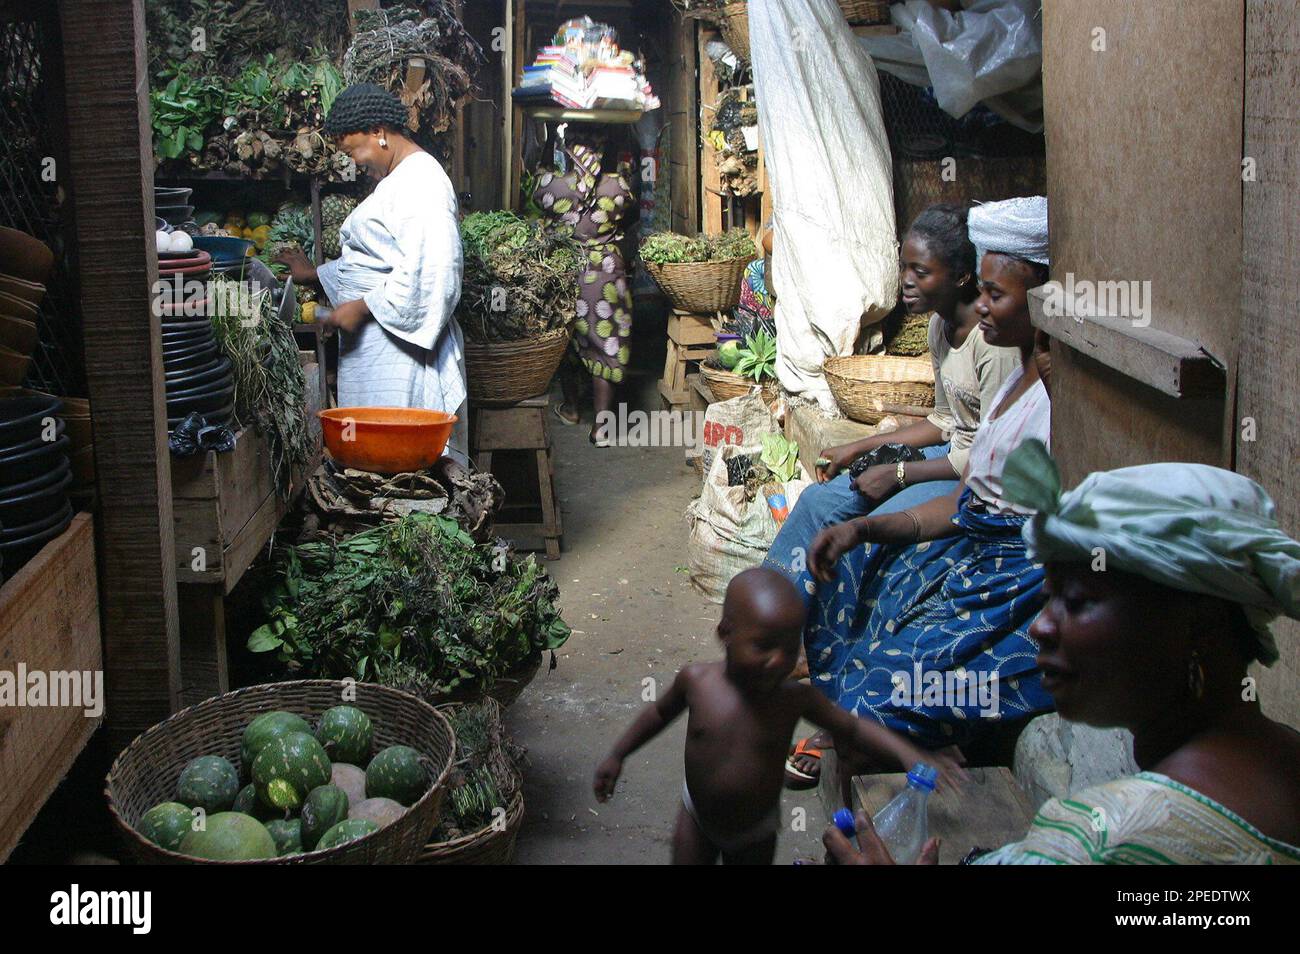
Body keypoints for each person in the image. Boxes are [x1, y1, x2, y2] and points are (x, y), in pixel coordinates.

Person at [824, 440, 1300, 864]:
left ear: (1201, 623)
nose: (1041, 626)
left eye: (1077, 601)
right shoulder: (1276, 763)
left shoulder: (1104, 840)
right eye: (1048, 596)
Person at [787, 197, 1053, 787]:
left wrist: (898, 478)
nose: (982, 306)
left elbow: (980, 499)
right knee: (856, 580)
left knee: (887, 684)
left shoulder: (1047, 399)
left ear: (1041, 300)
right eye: (982, 292)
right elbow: (969, 500)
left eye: (995, 295)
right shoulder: (1016, 379)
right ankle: (851, 710)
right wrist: (864, 527)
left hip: (1011, 579)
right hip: (974, 542)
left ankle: (897, 744)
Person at [592, 567, 964, 865]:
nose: (778, 660)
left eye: (789, 648)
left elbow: (849, 726)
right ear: (725, 633)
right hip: (698, 819)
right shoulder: (698, 682)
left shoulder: (795, 699)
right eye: (763, 646)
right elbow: (657, 713)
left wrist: (908, 753)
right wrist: (617, 754)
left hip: (756, 829)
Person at [767, 204, 1020, 600]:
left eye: (921, 272)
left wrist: (899, 473)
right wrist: (859, 447)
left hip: (970, 480)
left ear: (961, 276)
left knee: (873, 530)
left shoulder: (994, 347)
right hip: (948, 457)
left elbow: (987, 461)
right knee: (819, 500)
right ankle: (775, 610)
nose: (906, 281)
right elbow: (942, 421)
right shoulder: (940, 327)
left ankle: (819, 634)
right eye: (904, 267)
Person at [274, 83, 467, 460]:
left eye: (353, 150)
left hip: (402, 355)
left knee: (400, 458)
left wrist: (360, 308)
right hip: (382, 347)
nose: (355, 162)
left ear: (379, 132)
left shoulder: (422, 182)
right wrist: (316, 275)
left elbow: (435, 272)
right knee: (376, 458)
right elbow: (380, 254)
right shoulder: (400, 180)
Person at [533, 126, 636, 446]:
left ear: (569, 151)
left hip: (568, 273)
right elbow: (628, 209)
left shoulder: (553, 186)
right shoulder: (616, 187)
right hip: (606, 276)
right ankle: (602, 427)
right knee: (605, 345)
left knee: (566, 345)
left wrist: (551, 144)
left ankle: (574, 409)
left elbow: (536, 194)